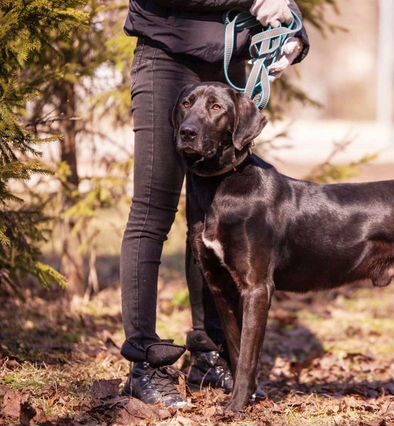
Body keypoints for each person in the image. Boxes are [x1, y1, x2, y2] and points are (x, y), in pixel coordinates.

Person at [119, 0, 310, 408]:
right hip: (166, 58)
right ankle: (143, 364)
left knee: (210, 222)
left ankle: (208, 353)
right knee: (152, 213)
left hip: (226, 66)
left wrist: (294, 28)